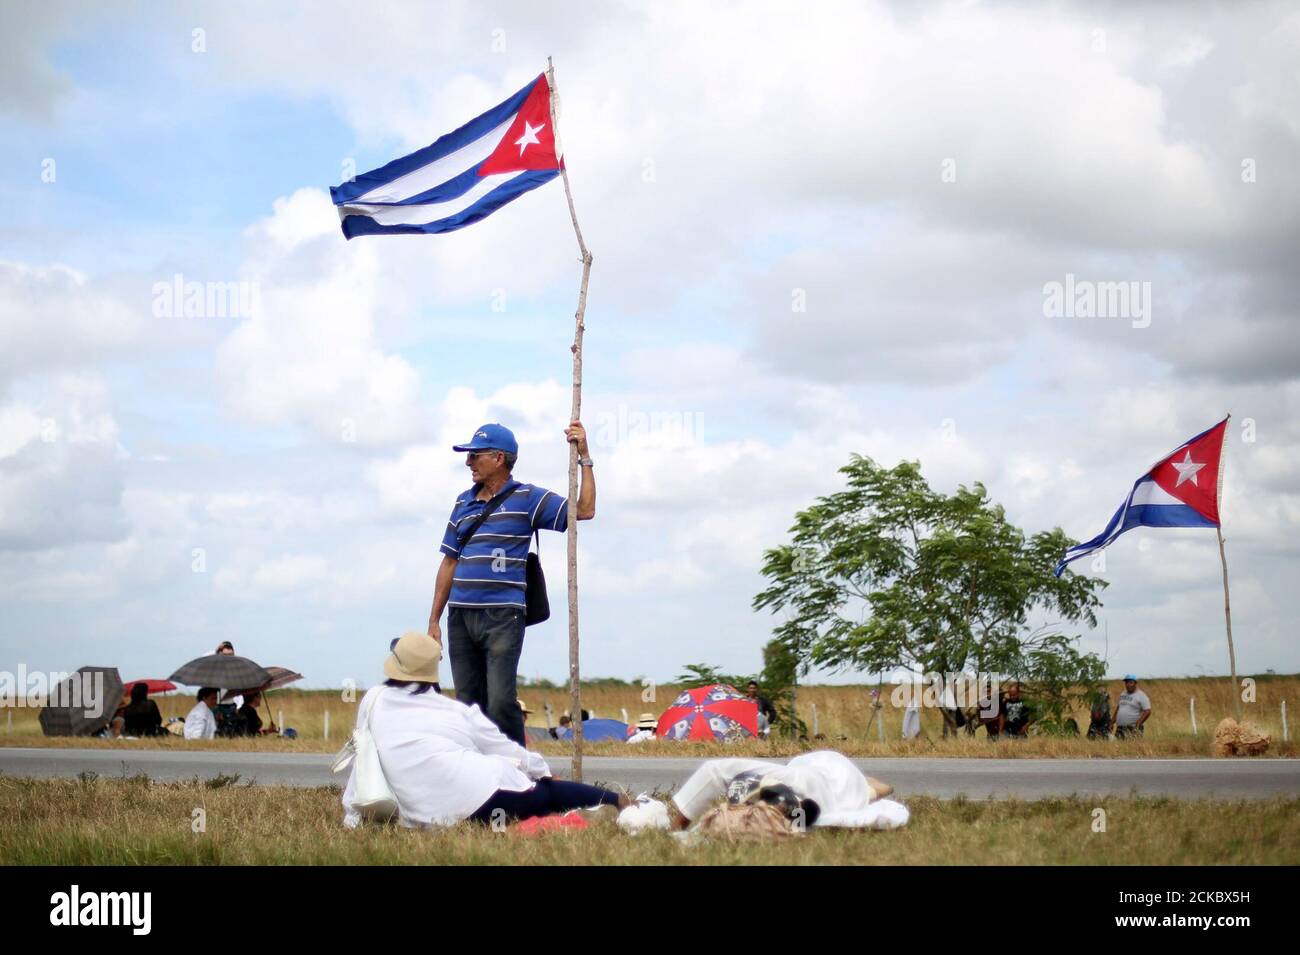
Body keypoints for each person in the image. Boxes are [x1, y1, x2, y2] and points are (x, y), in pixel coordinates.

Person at [342, 632, 627, 829]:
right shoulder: (457, 712)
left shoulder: (373, 700)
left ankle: (601, 807)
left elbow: (362, 754)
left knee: (525, 790)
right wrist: (541, 769)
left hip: (425, 813)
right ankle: (618, 802)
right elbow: (508, 750)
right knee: (547, 793)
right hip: (484, 795)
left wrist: (352, 816)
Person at [426, 421, 596, 745]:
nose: (468, 462)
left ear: (499, 458)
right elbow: (448, 561)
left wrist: (584, 457)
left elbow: (584, 510)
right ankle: (476, 774)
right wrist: (434, 619)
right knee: (467, 703)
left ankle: (517, 770)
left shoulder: (528, 498)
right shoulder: (462, 503)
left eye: (475, 456)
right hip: (460, 615)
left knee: (502, 700)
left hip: (503, 615)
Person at [617, 751, 909, 833]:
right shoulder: (809, 780)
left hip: (826, 778)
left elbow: (714, 771)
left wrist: (676, 825)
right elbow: (715, 771)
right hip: (817, 777)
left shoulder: (841, 789)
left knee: (862, 788)